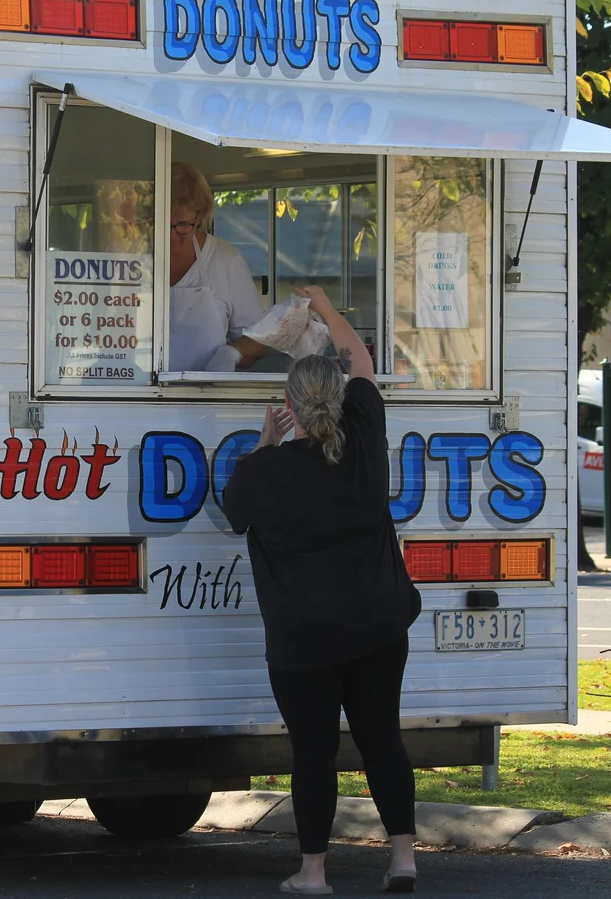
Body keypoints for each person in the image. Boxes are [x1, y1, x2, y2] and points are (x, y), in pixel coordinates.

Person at [223, 286, 422, 895]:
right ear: (340, 400)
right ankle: (404, 861)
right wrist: (329, 309)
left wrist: (265, 440)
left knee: (314, 752)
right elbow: (358, 360)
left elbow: (236, 510)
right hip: (378, 626)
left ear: (287, 405)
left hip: (303, 639)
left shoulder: (265, 472)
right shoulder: (364, 438)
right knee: (382, 738)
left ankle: (313, 873)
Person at [169, 161, 270, 372]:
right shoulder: (130, 257)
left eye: (182, 225)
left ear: (201, 216)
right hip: (136, 394)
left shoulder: (224, 260)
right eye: (160, 223)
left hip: (207, 397)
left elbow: (259, 341)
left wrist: (231, 353)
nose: (170, 235)